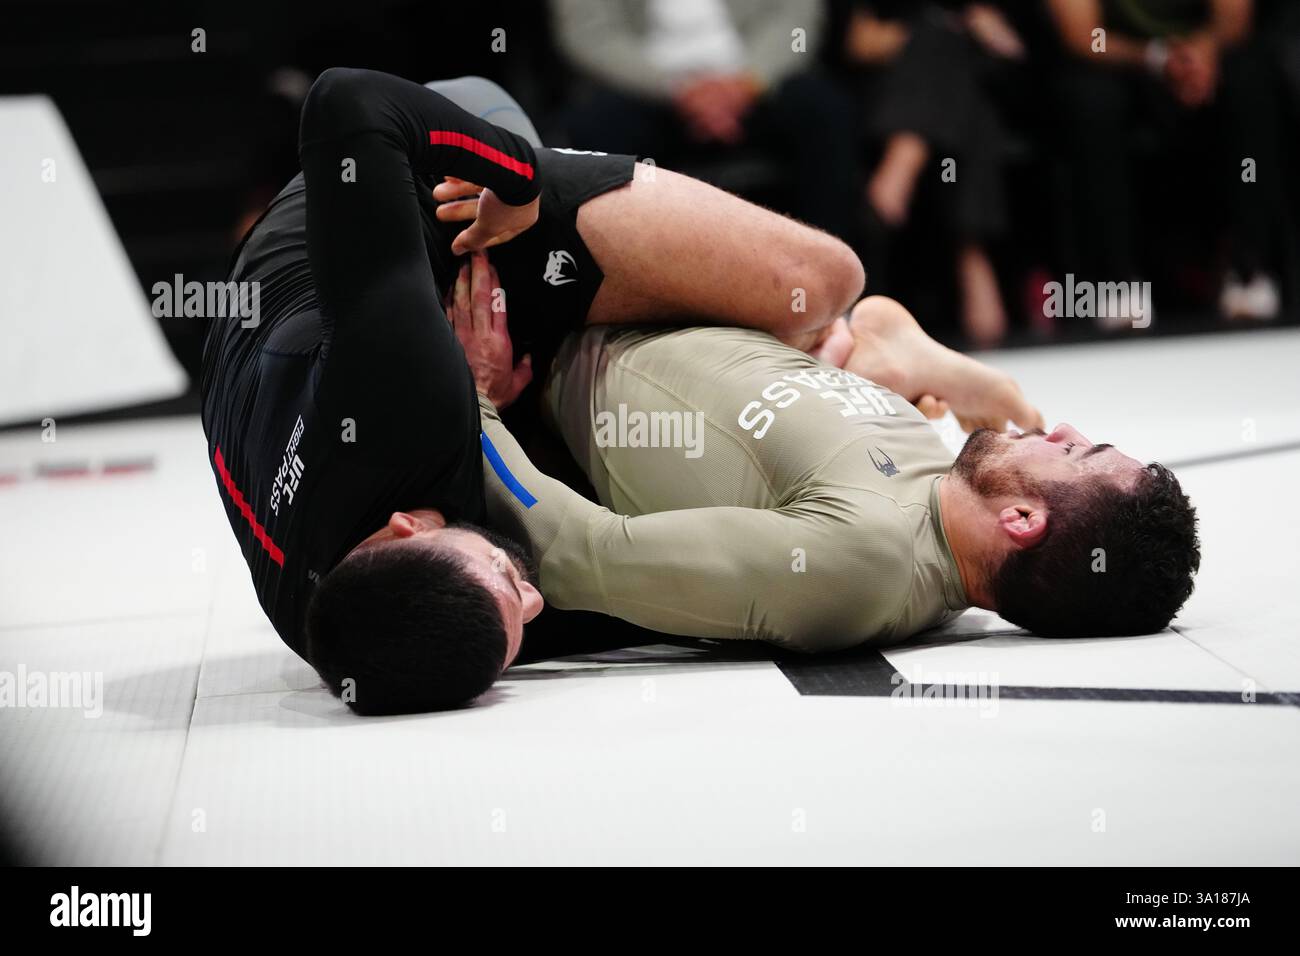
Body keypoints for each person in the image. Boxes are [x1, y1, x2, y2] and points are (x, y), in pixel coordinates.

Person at [202, 67, 1038, 714]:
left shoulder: (399, 393)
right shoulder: (369, 639)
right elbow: (639, 584)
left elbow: (349, 106)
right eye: (520, 616)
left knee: (815, 281)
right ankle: (846, 373)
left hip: (445, 201)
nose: (535, 596)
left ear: (406, 526)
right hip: (422, 383)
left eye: (505, 574)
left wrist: (522, 183)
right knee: (635, 478)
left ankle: (855, 340)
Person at [462, 289, 1200, 653]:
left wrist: (476, 396)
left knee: (376, 111)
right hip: (662, 304)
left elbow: (575, 556)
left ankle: (888, 351)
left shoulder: (863, 560)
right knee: (825, 296)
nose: (1064, 429)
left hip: (566, 325)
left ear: (1023, 521)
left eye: (1076, 452)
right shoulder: (943, 503)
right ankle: (888, 356)